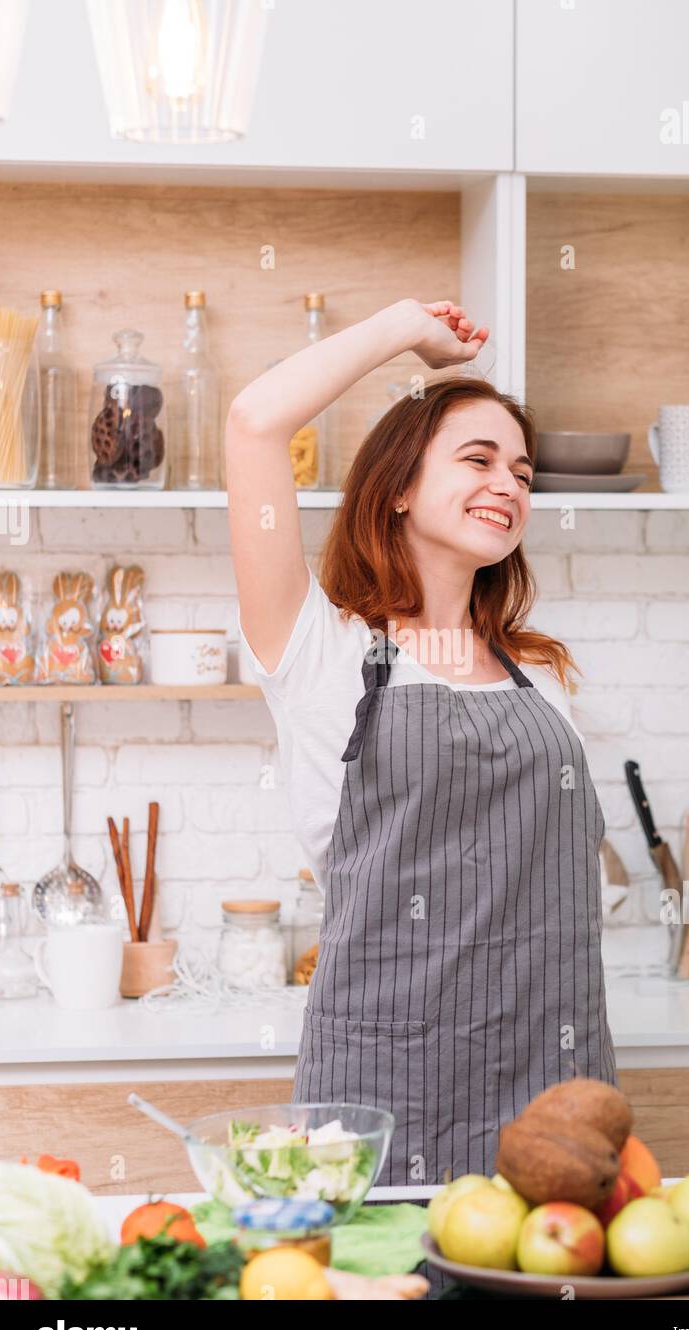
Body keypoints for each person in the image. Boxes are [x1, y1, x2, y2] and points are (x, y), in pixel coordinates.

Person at [227, 298, 618, 1192]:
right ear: (400, 486)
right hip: (379, 1083)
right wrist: (408, 327)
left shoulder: (539, 675)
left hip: (554, 1083)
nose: (509, 485)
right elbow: (254, 423)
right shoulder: (314, 645)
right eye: (477, 460)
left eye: (522, 472)